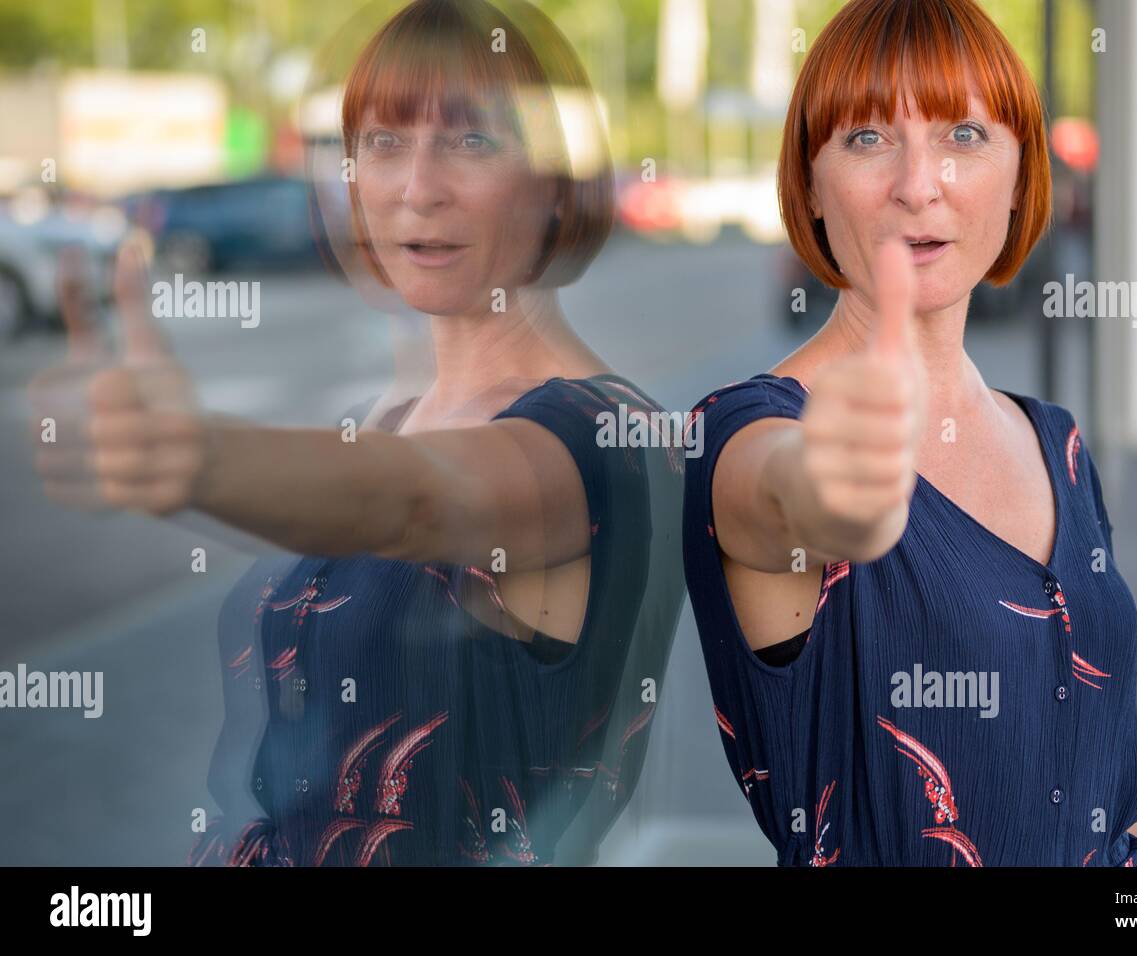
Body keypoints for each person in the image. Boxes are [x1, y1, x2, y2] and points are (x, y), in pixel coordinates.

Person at [28, 0, 682, 866]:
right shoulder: (392, 418)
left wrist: (191, 454)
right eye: (382, 142)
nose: (417, 188)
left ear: (554, 181)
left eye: (471, 141)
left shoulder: (605, 436)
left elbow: (411, 499)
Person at [682, 0, 1137, 867]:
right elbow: (784, 494)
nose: (920, 184)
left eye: (965, 134)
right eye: (868, 139)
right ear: (808, 181)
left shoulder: (1055, 441)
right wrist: (836, 483)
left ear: (1020, 173)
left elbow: (1125, 764)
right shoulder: (747, 432)